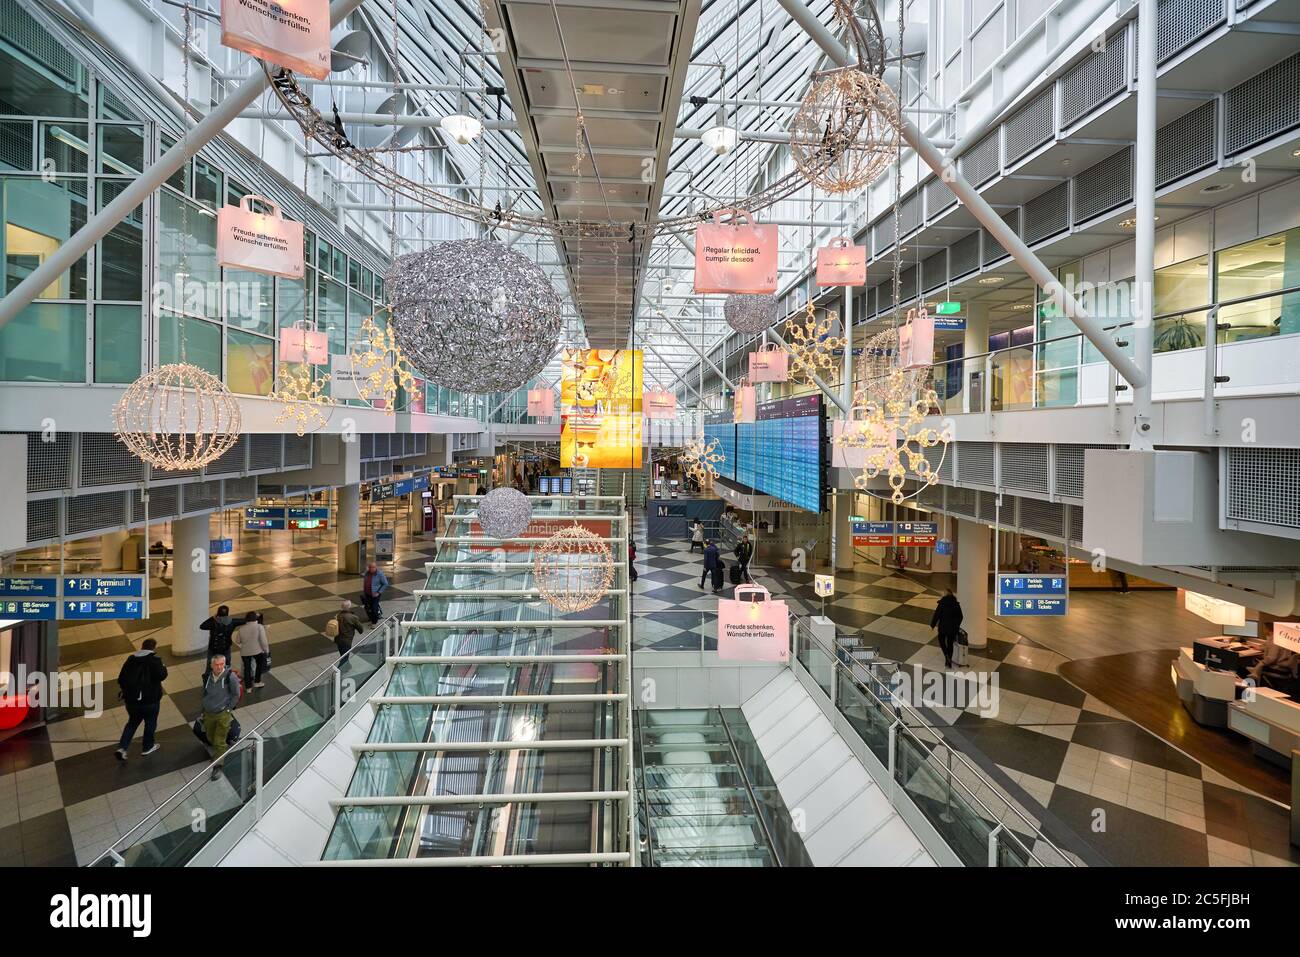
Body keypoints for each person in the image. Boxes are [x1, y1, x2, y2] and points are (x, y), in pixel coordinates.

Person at [114, 638, 167, 762]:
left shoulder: (130, 659)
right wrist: (163, 667)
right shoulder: (155, 661)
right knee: (150, 722)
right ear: (154, 648)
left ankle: (122, 748)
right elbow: (162, 675)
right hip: (150, 700)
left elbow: (121, 679)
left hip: (131, 701)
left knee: (132, 723)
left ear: (142, 646)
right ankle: (147, 747)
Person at [201, 654, 241, 779]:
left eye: (221, 664)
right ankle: (219, 752)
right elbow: (205, 693)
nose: (219, 667)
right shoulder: (207, 676)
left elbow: (236, 694)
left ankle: (218, 766)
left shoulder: (230, 677)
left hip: (223, 714)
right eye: (216, 665)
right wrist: (203, 709)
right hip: (208, 713)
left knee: (219, 740)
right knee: (210, 737)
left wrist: (228, 709)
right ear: (211, 665)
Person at [234, 610, 269, 690]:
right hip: (257, 651)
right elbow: (263, 641)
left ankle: (248, 688)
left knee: (247, 669)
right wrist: (266, 650)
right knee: (259, 665)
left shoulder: (241, 628)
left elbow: (237, 641)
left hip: (245, 652)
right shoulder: (259, 627)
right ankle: (257, 682)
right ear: (255, 618)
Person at [930, 589, 964, 669]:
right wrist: (956, 625)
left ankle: (946, 656)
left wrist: (932, 625)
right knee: (950, 643)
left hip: (943, 627)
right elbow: (960, 616)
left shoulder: (942, 603)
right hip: (952, 628)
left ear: (945, 595)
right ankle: (948, 661)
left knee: (941, 639)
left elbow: (937, 614)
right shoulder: (956, 604)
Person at [200, 605, 236, 679]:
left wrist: (213, 618)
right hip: (226, 648)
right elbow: (244, 620)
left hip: (213, 648)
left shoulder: (213, 622)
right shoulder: (232, 621)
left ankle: (207, 683)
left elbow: (202, 626)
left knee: (210, 666)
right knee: (227, 665)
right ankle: (226, 681)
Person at [335, 599, 364, 665]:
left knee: (342, 654)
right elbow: (360, 628)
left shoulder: (337, 616)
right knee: (344, 656)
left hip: (338, 639)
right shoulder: (352, 617)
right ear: (349, 606)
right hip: (347, 640)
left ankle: (348, 666)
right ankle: (339, 671)